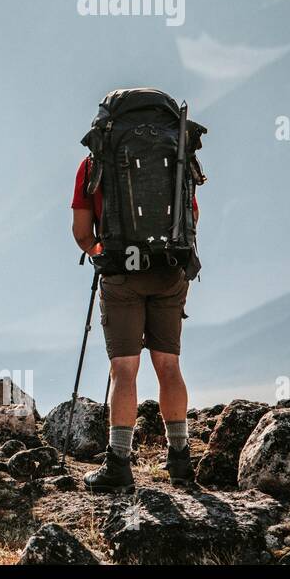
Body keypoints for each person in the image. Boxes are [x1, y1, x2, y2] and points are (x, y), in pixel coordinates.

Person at [71, 155, 199, 491]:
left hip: (122, 275)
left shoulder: (94, 161)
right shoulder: (174, 155)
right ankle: (181, 459)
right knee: (169, 365)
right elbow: (192, 215)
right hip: (170, 270)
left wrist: (107, 254)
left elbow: (82, 232)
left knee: (124, 370)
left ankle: (119, 464)